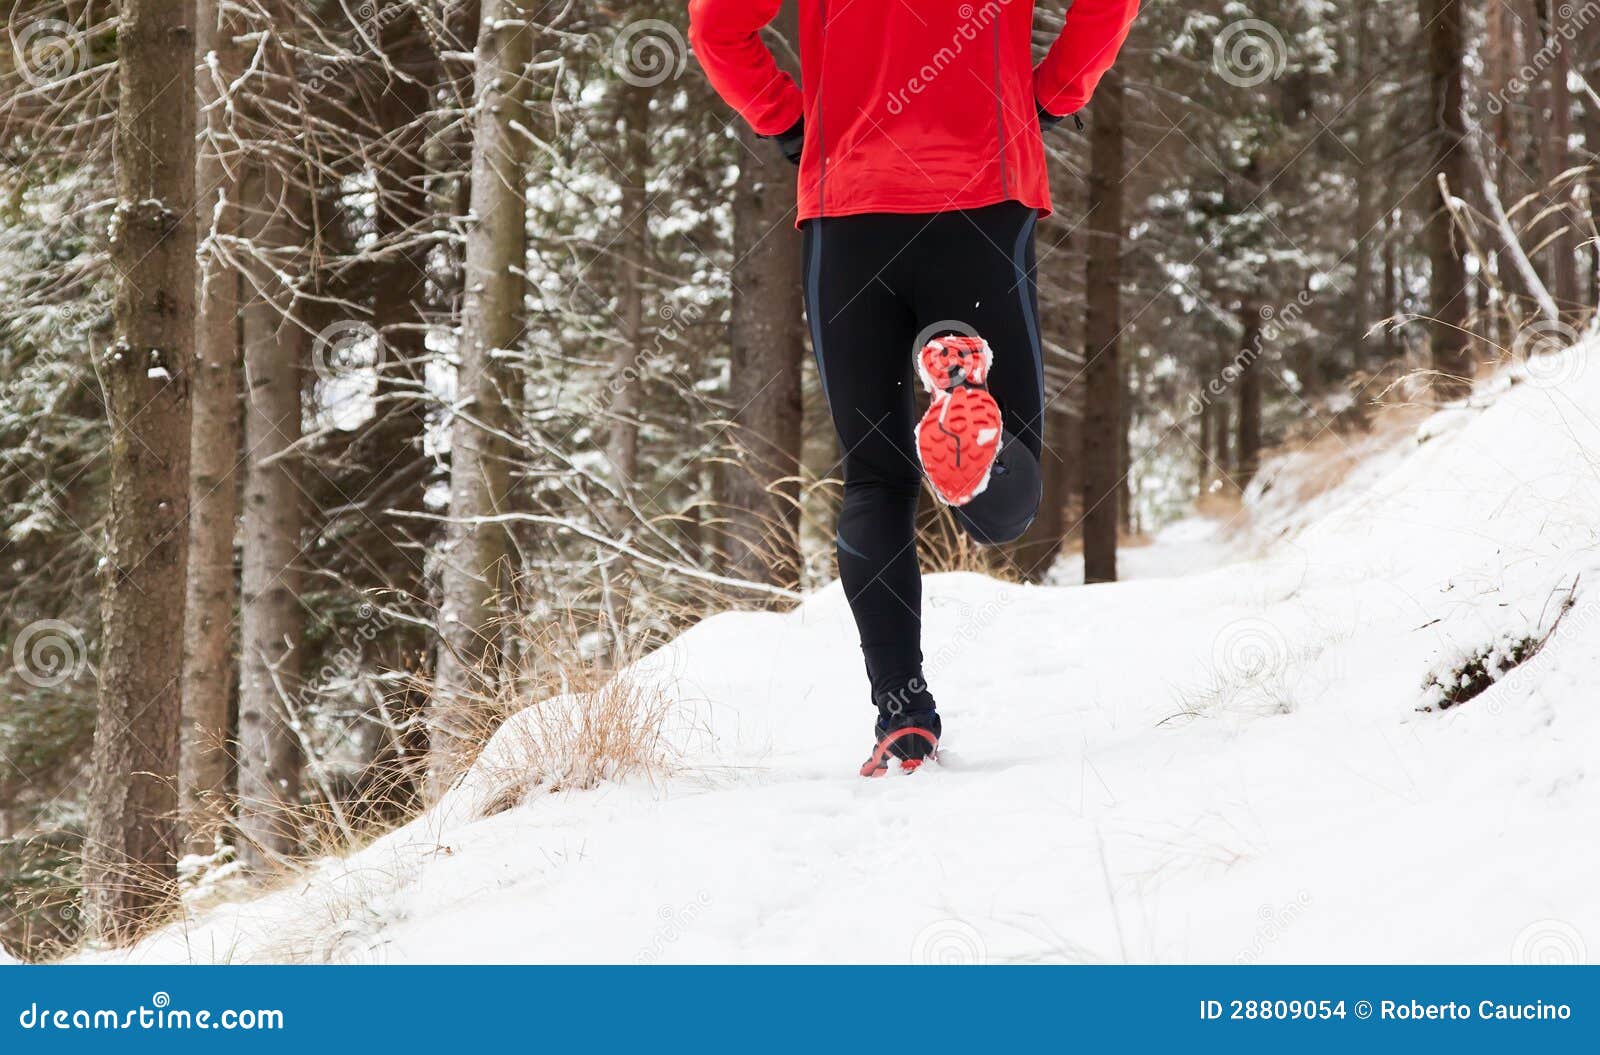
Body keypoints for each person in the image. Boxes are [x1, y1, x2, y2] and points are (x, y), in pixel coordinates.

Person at [688, 0, 1140, 775]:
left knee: (873, 479)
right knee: (1006, 507)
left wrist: (793, 123)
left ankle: (902, 711)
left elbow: (716, 27)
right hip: (981, 196)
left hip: (849, 207)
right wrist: (1050, 96)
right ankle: (963, 385)